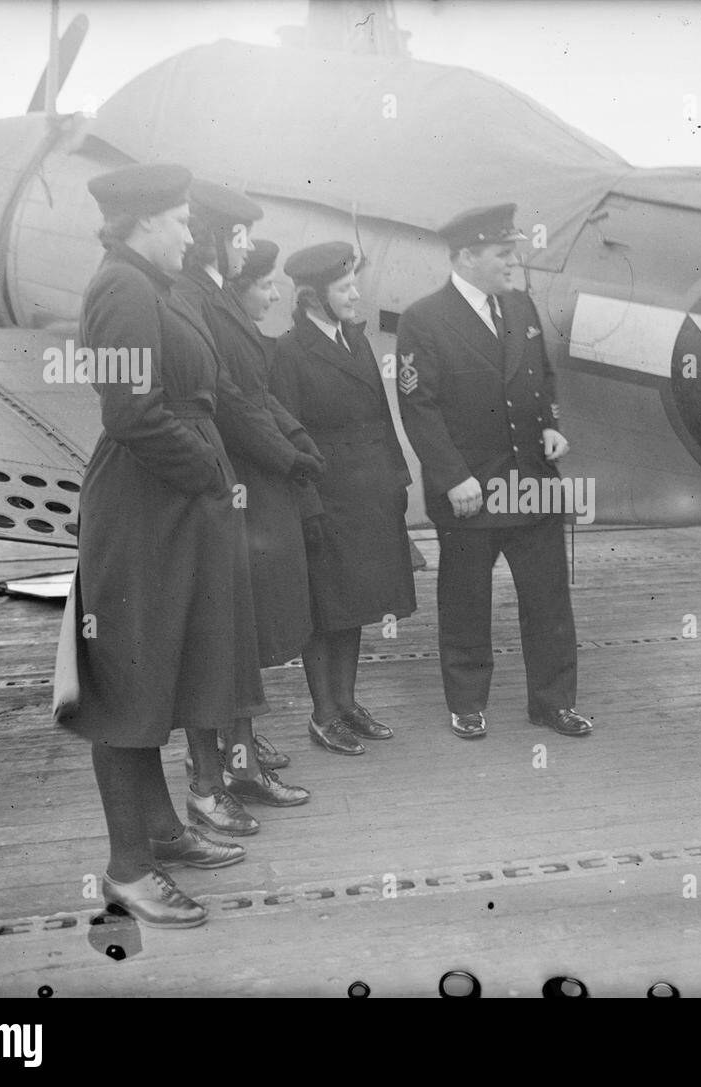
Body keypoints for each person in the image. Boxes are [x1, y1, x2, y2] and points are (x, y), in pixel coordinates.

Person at [60, 162, 275, 926]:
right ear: (144, 221)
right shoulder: (121, 287)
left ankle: (160, 830)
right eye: (181, 219)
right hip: (146, 506)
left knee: (158, 675)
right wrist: (209, 470)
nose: (191, 232)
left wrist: (205, 475)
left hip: (171, 506)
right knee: (127, 687)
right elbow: (131, 413)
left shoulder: (153, 286)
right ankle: (127, 869)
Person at [395, 204, 591, 741]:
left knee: (549, 601)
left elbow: (542, 378)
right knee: (465, 602)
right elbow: (420, 407)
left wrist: (550, 425)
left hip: (530, 482)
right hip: (470, 490)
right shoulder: (424, 318)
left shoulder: (520, 305)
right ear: (466, 256)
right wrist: (452, 476)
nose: (513, 260)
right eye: (503, 253)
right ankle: (467, 702)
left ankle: (553, 703)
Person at [175, 185, 319, 817]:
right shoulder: (196, 298)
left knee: (231, 634)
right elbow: (230, 398)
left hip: (230, 478)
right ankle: (222, 773)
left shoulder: (211, 296)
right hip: (220, 481)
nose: (247, 249)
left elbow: (249, 391)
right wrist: (289, 457)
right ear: (212, 237)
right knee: (219, 636)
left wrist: (296, 442)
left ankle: (238, 758)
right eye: (238, 237)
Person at [271, 242, 416, 755]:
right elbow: (288, 437)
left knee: (355, 604)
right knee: (324, 608)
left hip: (369, 494)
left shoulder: (356, 339)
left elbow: (380, 416)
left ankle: (348, 704)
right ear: (314, 297)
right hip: (325, 498)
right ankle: (323, 713)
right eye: (344, 287)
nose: (356, 294)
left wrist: (398, 477)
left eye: (355, 283)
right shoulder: (287, 352)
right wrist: (306, 505)